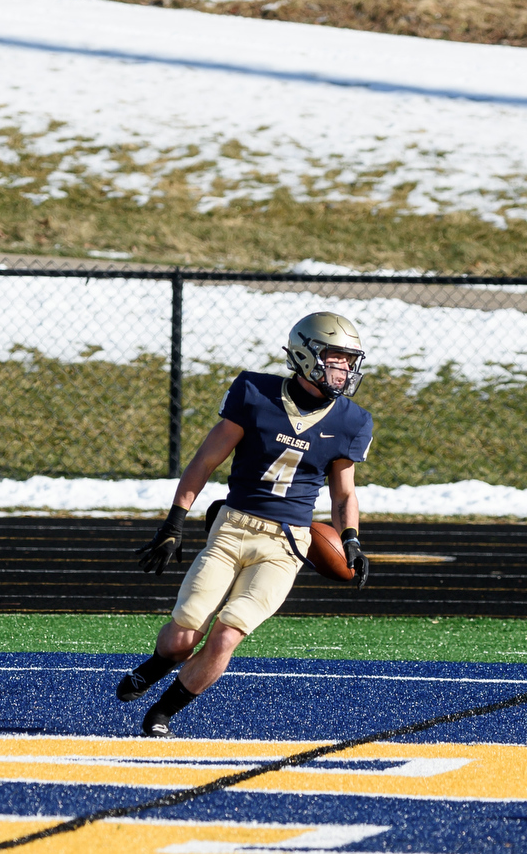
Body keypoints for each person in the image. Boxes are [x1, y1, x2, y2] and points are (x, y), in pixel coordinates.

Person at [120, 312, 375, 737]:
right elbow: (205, 460)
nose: (344, 369)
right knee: (183, 639)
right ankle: (158, 663)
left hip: (286, 546)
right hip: (232, 529)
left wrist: (351, 540)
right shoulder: (255, 392)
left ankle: (164, 711)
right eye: (335, 358)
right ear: (305, 354)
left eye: (349, 361)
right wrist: (174, 522)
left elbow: (344, 492)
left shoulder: (351, 420)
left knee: (226, 636)